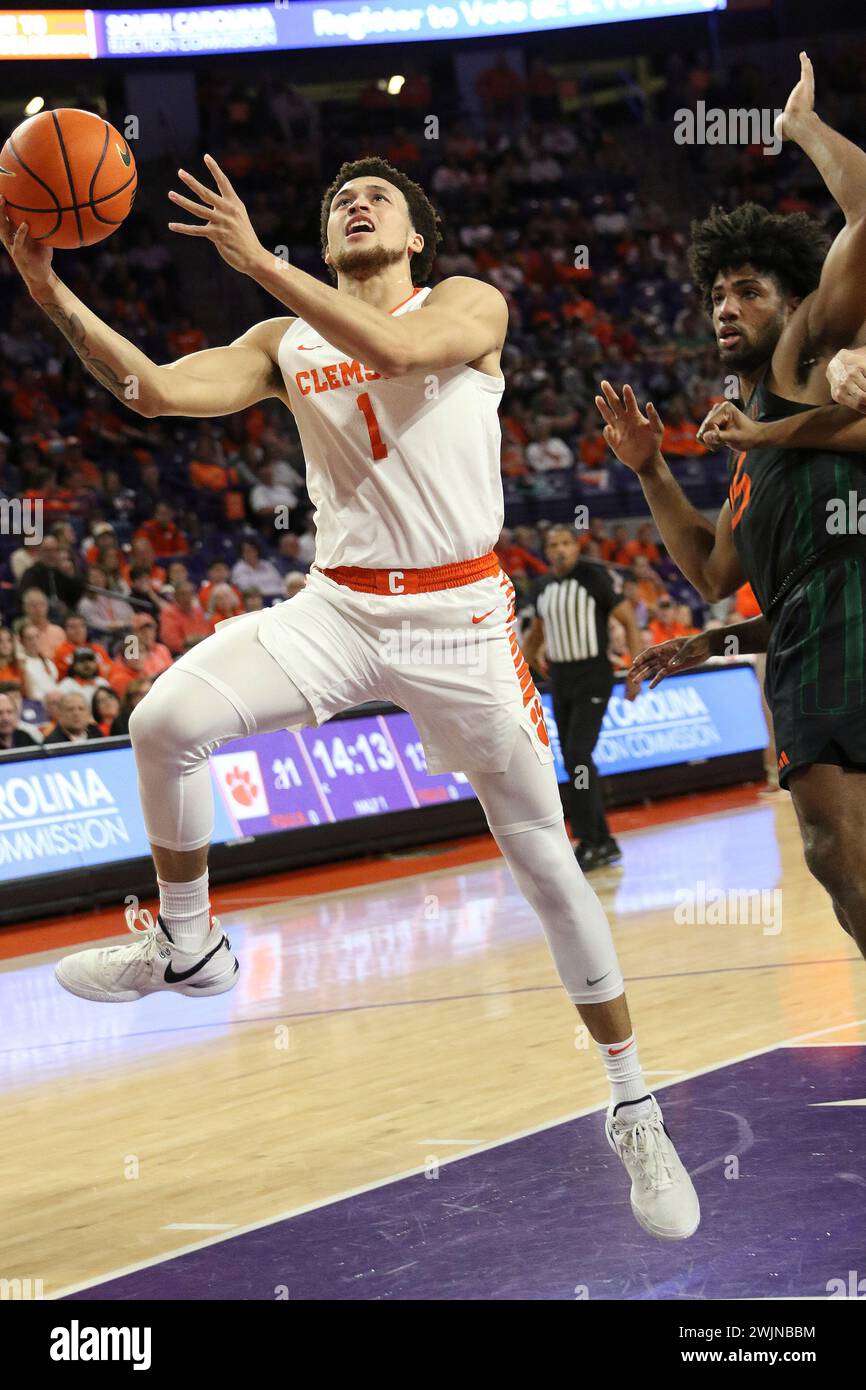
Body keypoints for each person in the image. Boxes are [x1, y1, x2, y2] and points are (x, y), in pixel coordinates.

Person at [2, 153, 698, 1241]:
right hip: (337, 605)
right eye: (336, 202)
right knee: (163, 721)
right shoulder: (284, 339)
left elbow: (399, 349)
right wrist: (49, 291)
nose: (354, 204)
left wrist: (258, 263)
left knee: (550, 872)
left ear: (414, 235)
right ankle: (188, 944)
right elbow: (154, 389)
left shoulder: (467, 304)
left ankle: (632, 1099)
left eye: (374, 198)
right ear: (324, 242)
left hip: (462, 620)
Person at [595, 53, 866, 963]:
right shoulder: (747, 429)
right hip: (798, 639)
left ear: (797, 302)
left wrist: (802, 130)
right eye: (716, 293)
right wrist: (650, 471)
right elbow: (715, 570)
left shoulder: (806, 355)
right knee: (835, 858)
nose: (725, 306)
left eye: (747, 290)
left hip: (856, 609)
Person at [522, 526, 642, 870]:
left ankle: (592, 840)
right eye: (553, 545)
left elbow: (629, 622)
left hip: (593, 675)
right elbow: (539, 632)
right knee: (575, 761)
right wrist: (527, 660)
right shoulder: (543, 587)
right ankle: (600, 841)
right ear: (546, 552)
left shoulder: (594, 578)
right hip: (560, 678)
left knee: (578, 755)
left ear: (576, 547)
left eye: (565, 544)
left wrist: (635, 670)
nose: (559, 550)